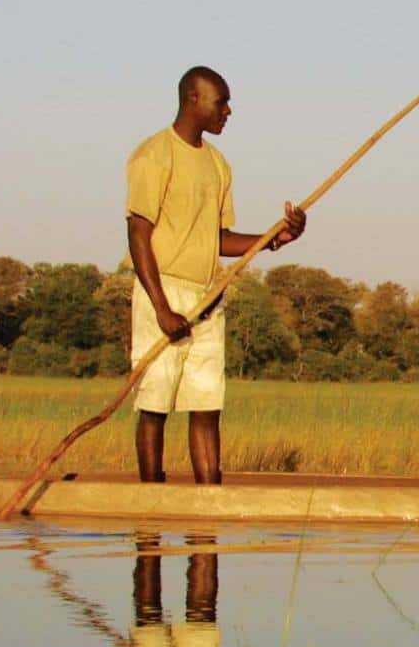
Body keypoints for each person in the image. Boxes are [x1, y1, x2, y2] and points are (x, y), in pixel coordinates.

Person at [126, 66, 307, 485]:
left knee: (206, 407)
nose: (228, 111)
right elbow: (138, 233)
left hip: (209, 295)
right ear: (193, 99)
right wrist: (162, 308)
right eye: (221, 102)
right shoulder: (154, 155)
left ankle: (209, 501)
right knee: (154, 406)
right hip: (163, 290)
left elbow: (220, 238)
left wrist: (276, 238)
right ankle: (151, 500)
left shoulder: (218, 164)